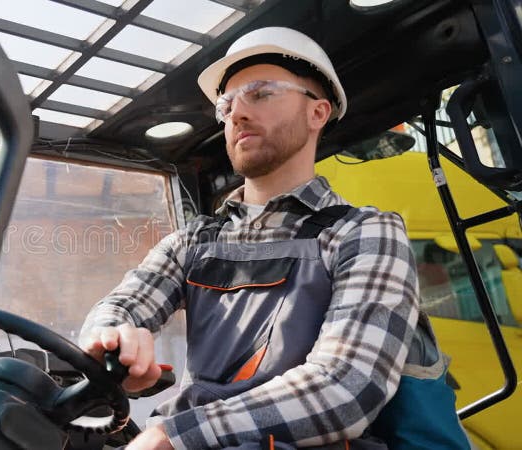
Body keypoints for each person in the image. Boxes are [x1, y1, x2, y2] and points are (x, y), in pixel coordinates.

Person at [79, 27, 436, 449]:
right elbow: (123, 304)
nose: (236, 114)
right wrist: (113, 338)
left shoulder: (364, 232)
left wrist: (173, 435)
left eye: (261, 93)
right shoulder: (194, 241)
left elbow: (344, 388)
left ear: (317, 113)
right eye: (226, 104)